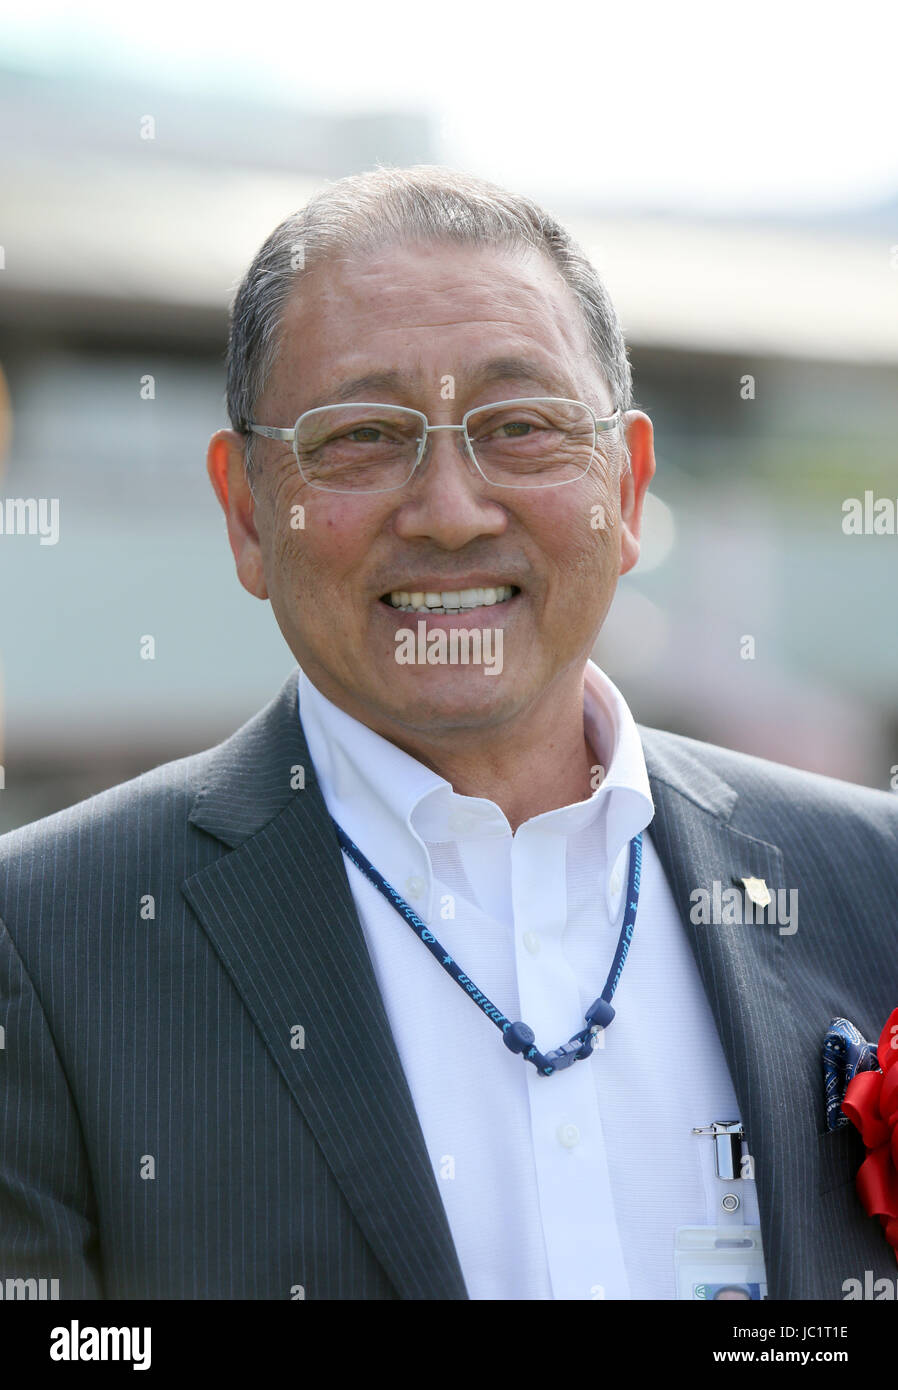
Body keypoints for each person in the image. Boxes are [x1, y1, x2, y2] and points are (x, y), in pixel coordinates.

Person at [1, 166, 896, 1301]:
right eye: (362, 437)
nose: (450, 509)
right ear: (245, 514)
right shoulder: (43, 947)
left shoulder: (875, 884)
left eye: (520, 427)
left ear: (625, 490)